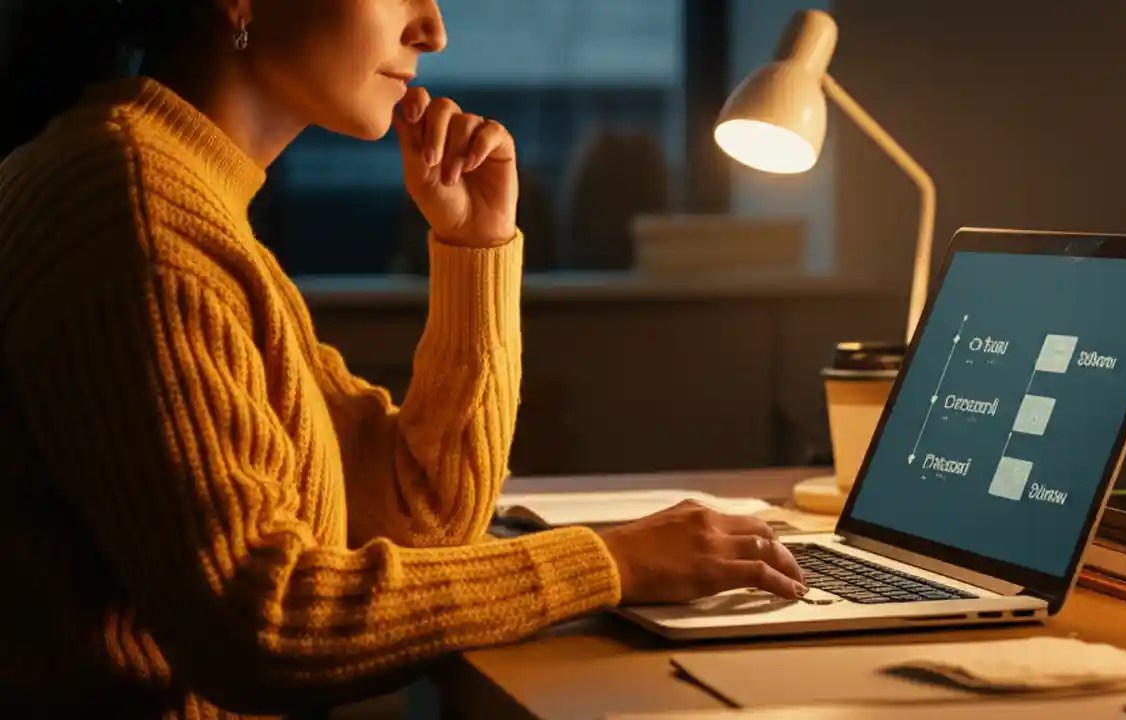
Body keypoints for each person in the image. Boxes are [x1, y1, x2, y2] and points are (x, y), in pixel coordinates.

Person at [0, 1, 807, 716]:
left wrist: (475, 247)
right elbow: (262, 628)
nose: (433, 28)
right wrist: (611, 562)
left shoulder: (181, 196)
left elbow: (425, 518)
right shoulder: (135, 220)